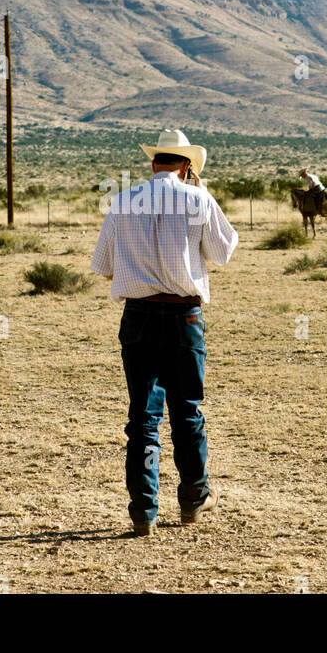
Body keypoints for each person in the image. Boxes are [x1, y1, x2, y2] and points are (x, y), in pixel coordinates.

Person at [90, 129, 239, 537]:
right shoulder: (199, 199)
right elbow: (223, 253)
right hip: (183, 318)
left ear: (153, 163)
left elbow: (103, 266)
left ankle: (144, 511)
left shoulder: (121, 201)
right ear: (187, 166)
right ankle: (194, 496)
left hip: (138, 318)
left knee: (142, 417)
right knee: (187, 410)